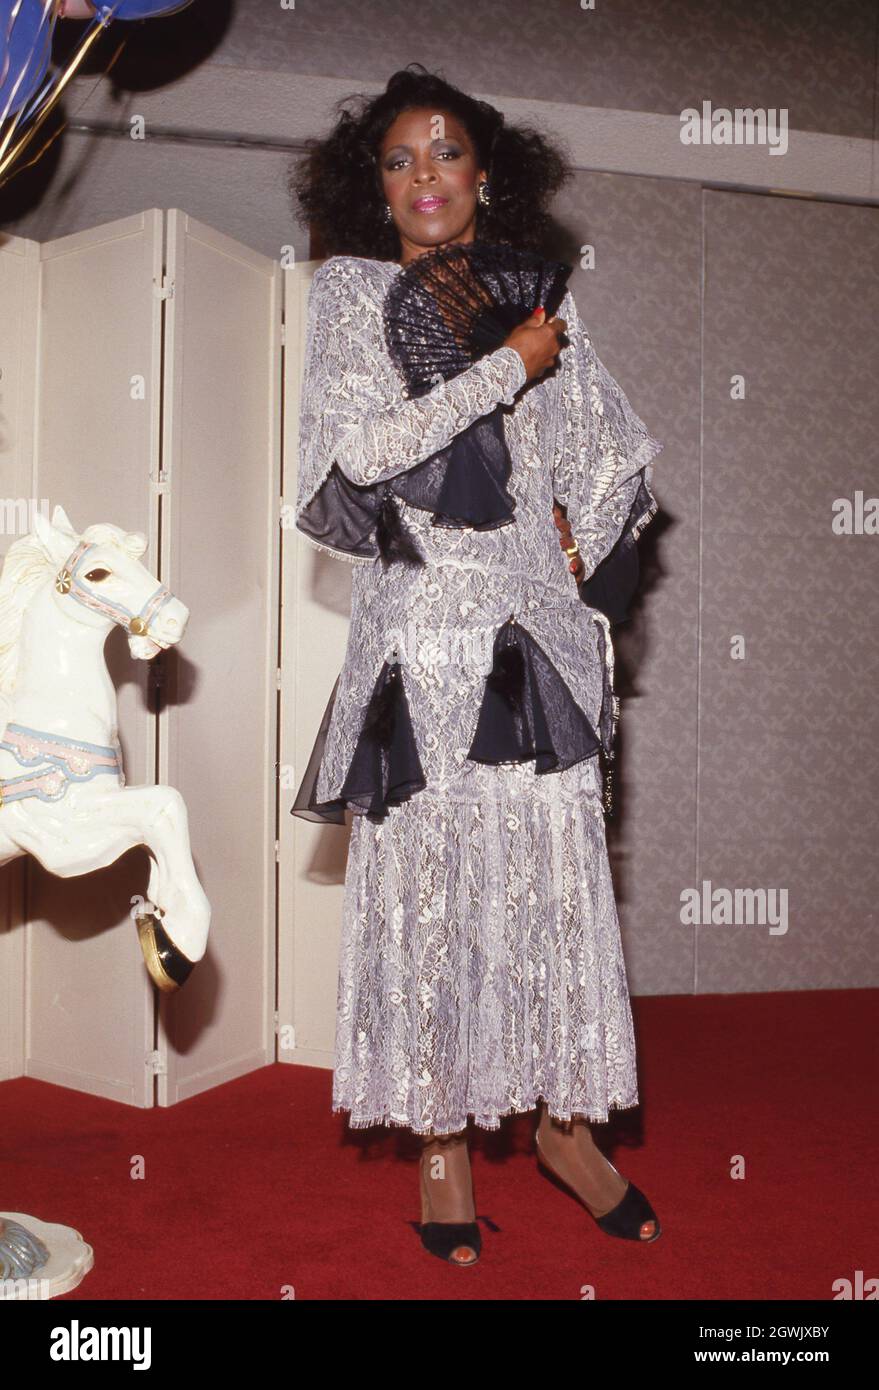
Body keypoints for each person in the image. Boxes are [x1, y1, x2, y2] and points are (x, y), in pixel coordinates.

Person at [289, 64, 665, 1266]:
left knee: (551, 891)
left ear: (486, 174)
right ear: (376, 190)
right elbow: (367, 446)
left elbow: (617, 454)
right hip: (418, 635)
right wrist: (511, 364)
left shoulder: (542, 297)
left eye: (444, 153)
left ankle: (564, 1128)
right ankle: (442, 1143)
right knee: (433, 890)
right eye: (397, 162)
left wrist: (578, 535)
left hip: (532, 633)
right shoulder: (352, 298)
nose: (422, 178)